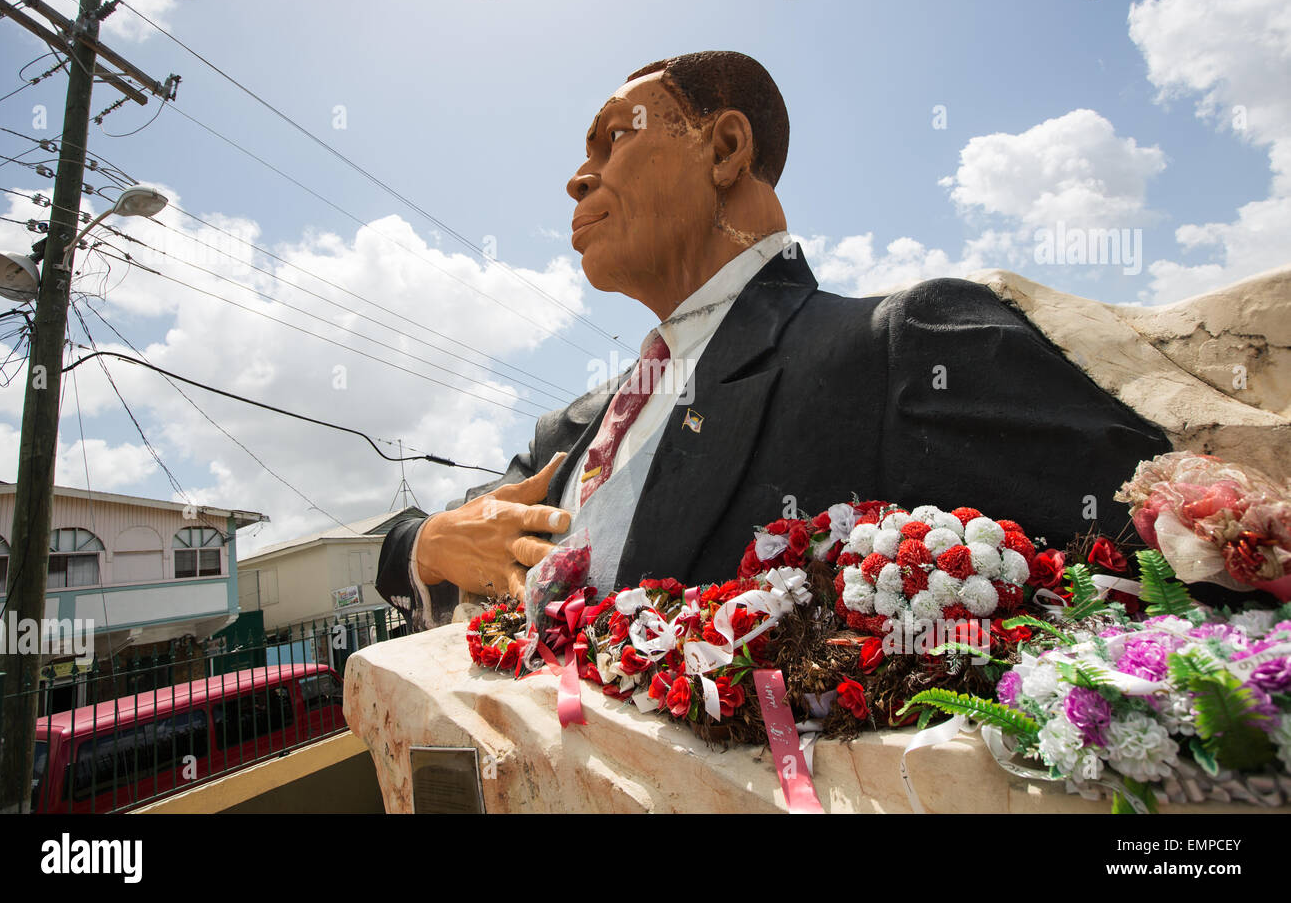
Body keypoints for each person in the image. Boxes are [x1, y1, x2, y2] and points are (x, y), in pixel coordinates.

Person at [376, 51, 1171, 631]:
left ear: (724, 150)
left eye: (612, 137)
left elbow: (1180, 574)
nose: (577, 179)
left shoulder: (898, 349)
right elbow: (413, 544)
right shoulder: (570, 429)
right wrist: (432, 545)